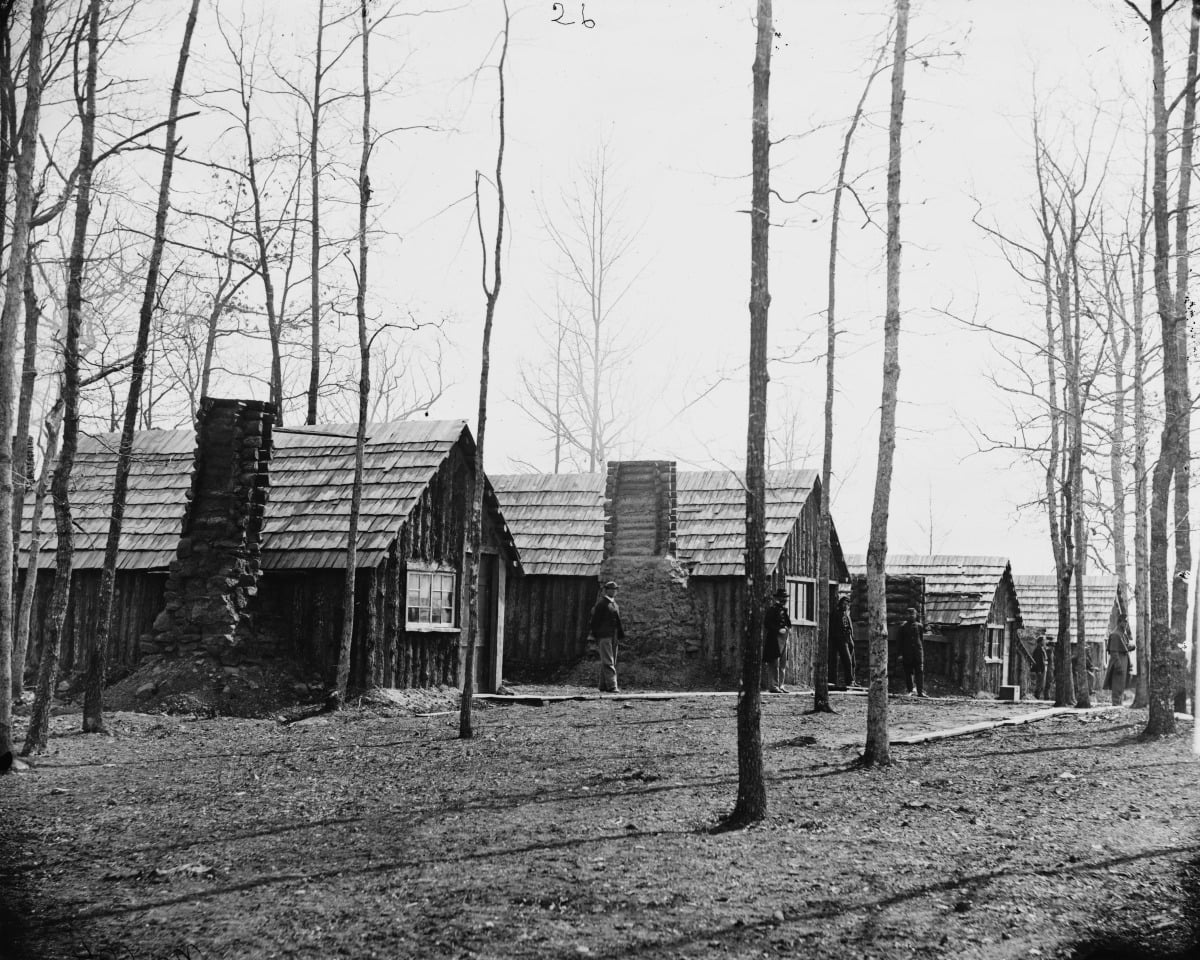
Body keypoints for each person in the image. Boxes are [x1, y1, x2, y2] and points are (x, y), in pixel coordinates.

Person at [590, 580, 626, 693]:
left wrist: (619, 635)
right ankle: (612, 686)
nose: (614, 591)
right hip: (604, 636)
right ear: (606, 590)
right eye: (611, 589)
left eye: (615, 590)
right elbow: (594, 622)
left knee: (611, 660)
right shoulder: (601, 604)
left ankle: (603, 685)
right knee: (608, 661)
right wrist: (597, 635)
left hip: (614, 635)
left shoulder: (615, 604)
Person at [763, 587, 791, 693]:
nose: (784, 600)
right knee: (774, 663)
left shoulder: (784, 610)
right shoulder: (772, 610)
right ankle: (773, 686)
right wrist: (778, 629)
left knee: (783, 663)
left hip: (784, 639)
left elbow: (788, 624)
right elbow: (767, 623)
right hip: (774, 639)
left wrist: (787, 629)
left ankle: (781, 685)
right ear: (777, 598)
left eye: (785, 597)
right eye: (782, 598)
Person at [1103, 616, 1131, 706]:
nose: (1126, 624)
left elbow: (1125, 647)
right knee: (1117, 683)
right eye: (1124, 622)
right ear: (1119, 622)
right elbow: (1114, 652)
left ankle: (1119, 702)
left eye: (1126, 622)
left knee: (1122, 683)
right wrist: (1118, 665)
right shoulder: (1115, 635)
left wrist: (1132, 646)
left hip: (1124, 660)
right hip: (1118, 661)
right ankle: (1115, 703)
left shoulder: (1123, 634)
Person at [899, 607, 927, 698]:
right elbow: (899, 642)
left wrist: (921, 652)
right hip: (907, 654)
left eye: (913, 614)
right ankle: (910, 690)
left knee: (920, 672)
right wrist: (900, 654)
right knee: (908, 672)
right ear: (906, 615)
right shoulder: (903, 627)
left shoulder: (919, 626)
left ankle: (920, 692)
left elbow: (921, 640)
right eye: (909, 614)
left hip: (918, 654)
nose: (911, 616)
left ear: (916, 615)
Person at [831, 595, 856, 688]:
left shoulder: (847, 615)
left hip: (849, 638)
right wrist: (837, 639)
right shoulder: (836, 614)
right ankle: (849, 681)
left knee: (853, 662)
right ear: (840, 604)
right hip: (841, 640)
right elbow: (833, 628)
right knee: (847, 660)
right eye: (844, 604)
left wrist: (851, 638)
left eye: (847, 604)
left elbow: (850, 627)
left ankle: (853, 680)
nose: (845, 606)